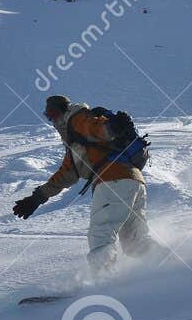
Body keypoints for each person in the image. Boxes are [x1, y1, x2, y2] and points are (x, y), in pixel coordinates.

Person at [12, 95, 153, 277]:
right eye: (48, 116)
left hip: (113, 182)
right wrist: (36, 198)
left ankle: (101, 280)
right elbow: (66, 174)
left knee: (100, 233)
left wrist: (111, 127)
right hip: (133, 182)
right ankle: (170, 268)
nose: (52, 121)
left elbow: (95, 128)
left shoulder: (76, 118)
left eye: (53, 115)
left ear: (62, 110)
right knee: (136, 243)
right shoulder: (76, 142)